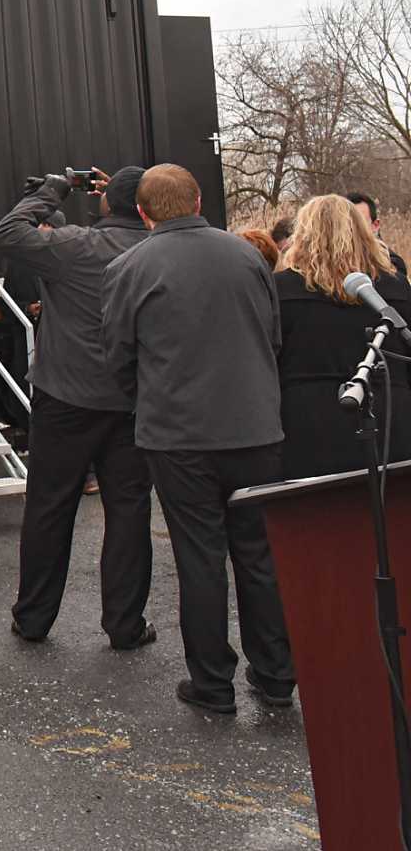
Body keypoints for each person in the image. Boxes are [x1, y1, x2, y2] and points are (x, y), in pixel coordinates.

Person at [103, 164, 294, 714]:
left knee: (200, 557)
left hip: (177, 434)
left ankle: (212, 683)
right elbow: (272, 338)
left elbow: (117, 356)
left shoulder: (128, 267)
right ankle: (277, 675)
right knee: (258, 554)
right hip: (253, 428)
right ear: (198, 200)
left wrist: (152, 399)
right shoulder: (248, 257)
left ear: (143, 212)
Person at [0, 167, 155, 648]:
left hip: (65, 396)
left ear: (106, 203)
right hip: (132, 399)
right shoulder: (155, 250)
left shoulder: (75, 246)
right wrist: (125, 191)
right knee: (128, 510)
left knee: (49, 506)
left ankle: (34, 617)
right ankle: (125, 624)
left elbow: (8, 232)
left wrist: (52, 191)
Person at [275, 194, 411, 479]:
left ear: (303, 236)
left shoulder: (282, 290)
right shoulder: (395, 288)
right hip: (390, 414)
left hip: (309, 420)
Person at [344, 191, 409, 281]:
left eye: (360, 222)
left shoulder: (391, 266)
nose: (352, 228)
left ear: (375, 225)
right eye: (347, 222)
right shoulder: (327, 263)